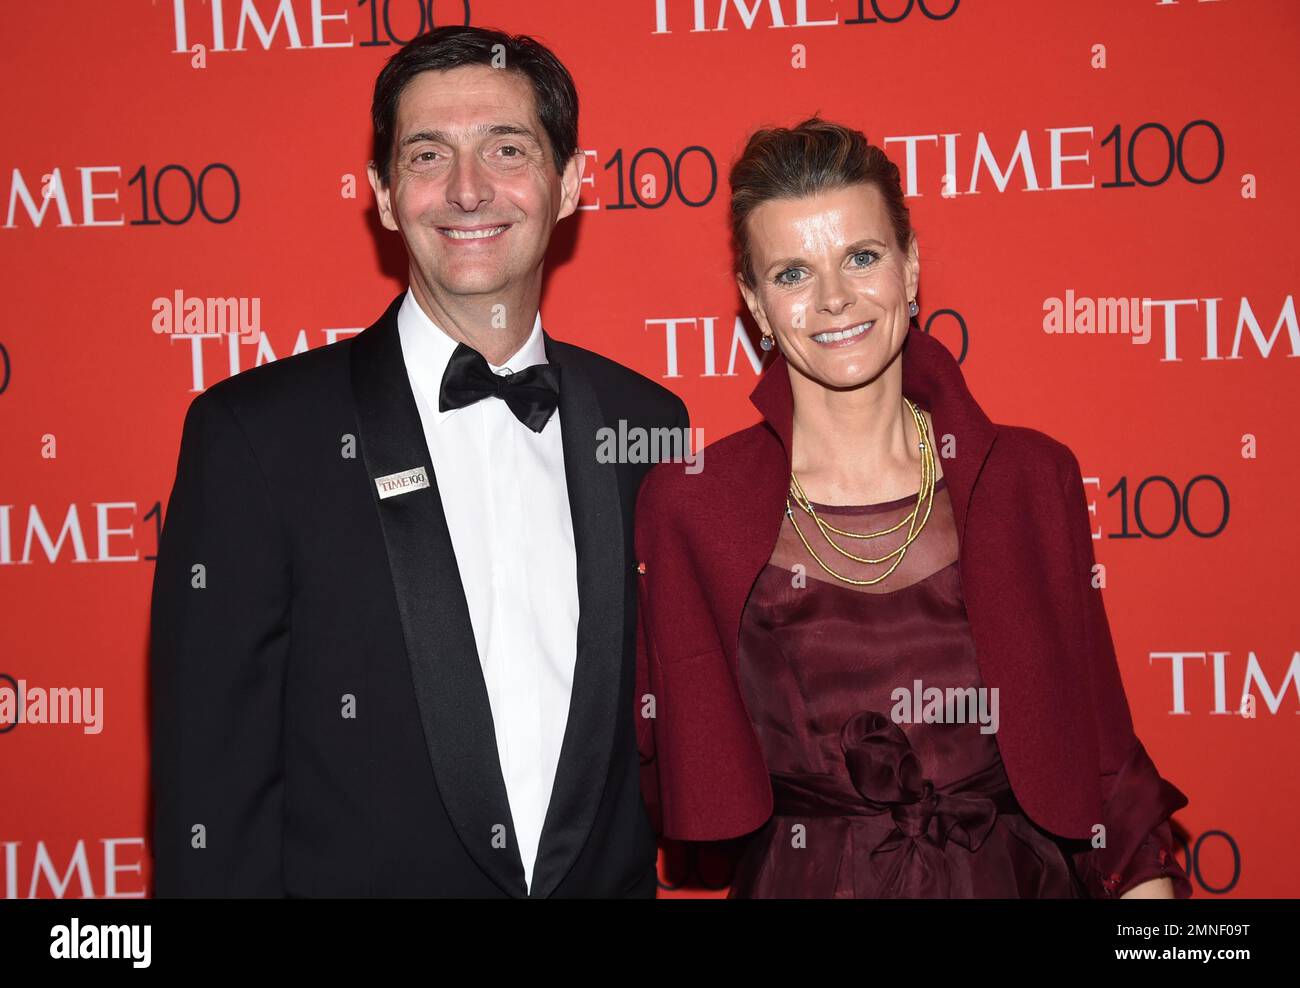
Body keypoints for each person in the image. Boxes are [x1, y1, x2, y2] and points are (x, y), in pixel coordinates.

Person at [150, 25, 686, 898]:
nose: (468, 190)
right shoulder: (255, 436)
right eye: (429, 155)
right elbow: (213, 785)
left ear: (571, 184)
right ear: (386, 196)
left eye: (506, 149)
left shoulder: (647, 425)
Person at [633, 117, 1191, 898]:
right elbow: (659, 766)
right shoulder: (693, 505)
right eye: (792, 274)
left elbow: (1103, 757)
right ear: (754, 305)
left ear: (912, 267)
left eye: (862, 257)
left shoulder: (1027, 478)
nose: (834, 299)